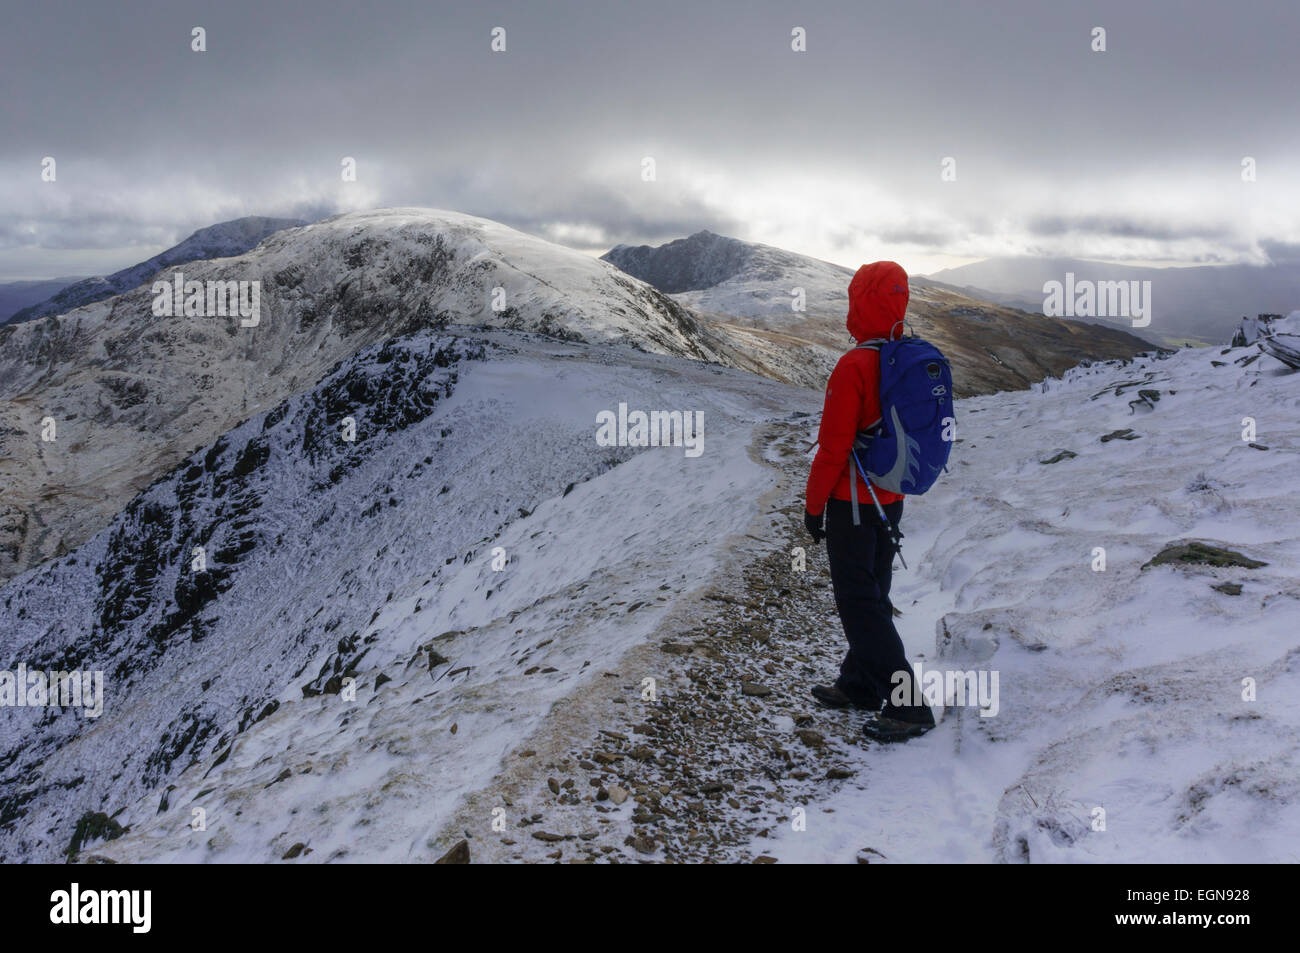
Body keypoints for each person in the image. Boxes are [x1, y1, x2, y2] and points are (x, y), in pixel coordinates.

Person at [803, 261, 936, 742]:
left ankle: (908, 705)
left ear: (859, 303)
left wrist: (814, 507)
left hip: (853, 504)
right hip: (890, 499)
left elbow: (834, 447)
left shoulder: (855, 364)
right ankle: (859, 685)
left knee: (858, 604)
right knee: (873, 597)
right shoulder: (903, 358)